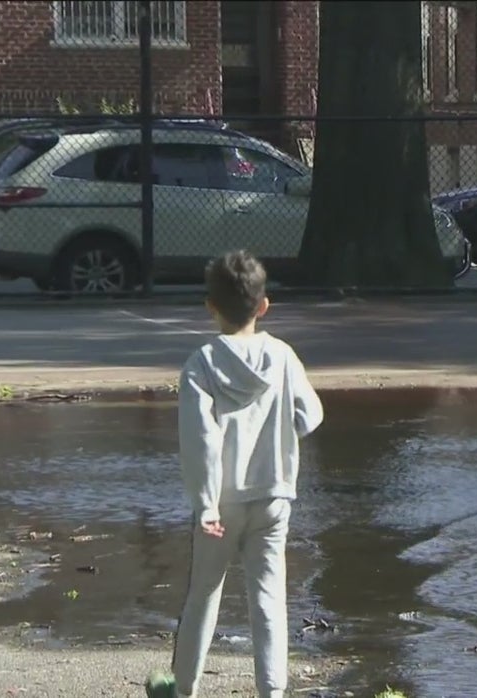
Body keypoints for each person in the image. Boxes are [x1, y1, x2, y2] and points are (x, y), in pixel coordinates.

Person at [166, 250, 323, 698]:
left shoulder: (201, 364)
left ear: (210, 306)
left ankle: (183, 690)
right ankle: (272, 693)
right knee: (269, 599)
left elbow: (202, 440)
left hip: (222, 502)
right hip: (274, 496)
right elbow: (310, 416)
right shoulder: (283, 356)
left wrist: (204, 503)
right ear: (263, 305)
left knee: (203, 596)